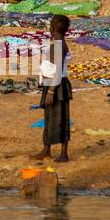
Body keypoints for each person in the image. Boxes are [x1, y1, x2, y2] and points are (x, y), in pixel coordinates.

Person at [37, 14, 71, 162]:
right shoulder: (59, 43)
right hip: (52, 84)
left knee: (60, 118)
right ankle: (47, 149)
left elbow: (57, 72)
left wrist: (50, 92)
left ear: (52, 29)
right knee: (50, 118)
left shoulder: (58, 46)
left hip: (56, 87)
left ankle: (63, 153)